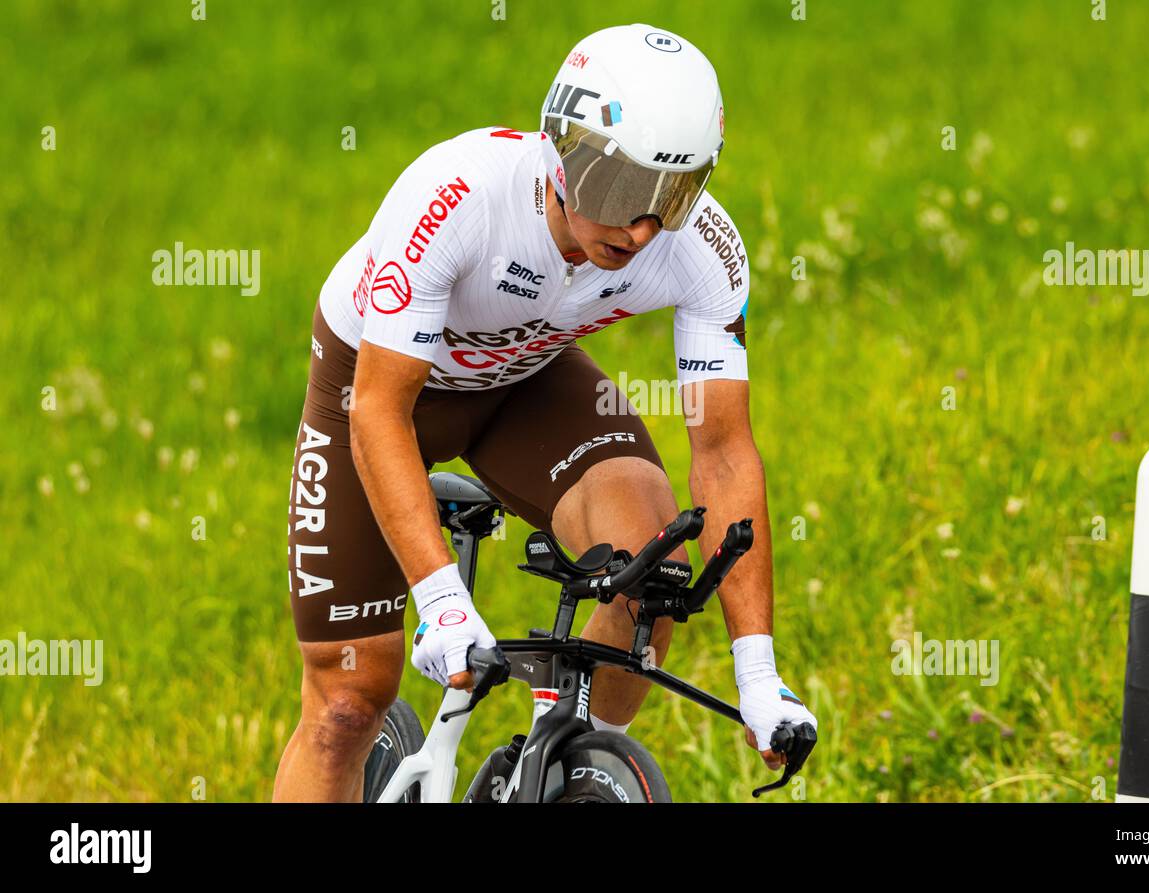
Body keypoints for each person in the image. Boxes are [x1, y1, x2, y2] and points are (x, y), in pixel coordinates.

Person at [273, 23, 817, 801]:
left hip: (524, 375)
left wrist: (758, 674)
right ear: (565, 149)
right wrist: (439, 601)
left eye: (671, 195)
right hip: (378, 388)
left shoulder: (703, 250)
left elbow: (725, 453)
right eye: (623, 191)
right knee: (350, 701)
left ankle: (550, 773)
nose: (639, 229)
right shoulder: (456, 198)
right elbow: (380, 414)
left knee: (653, 573)